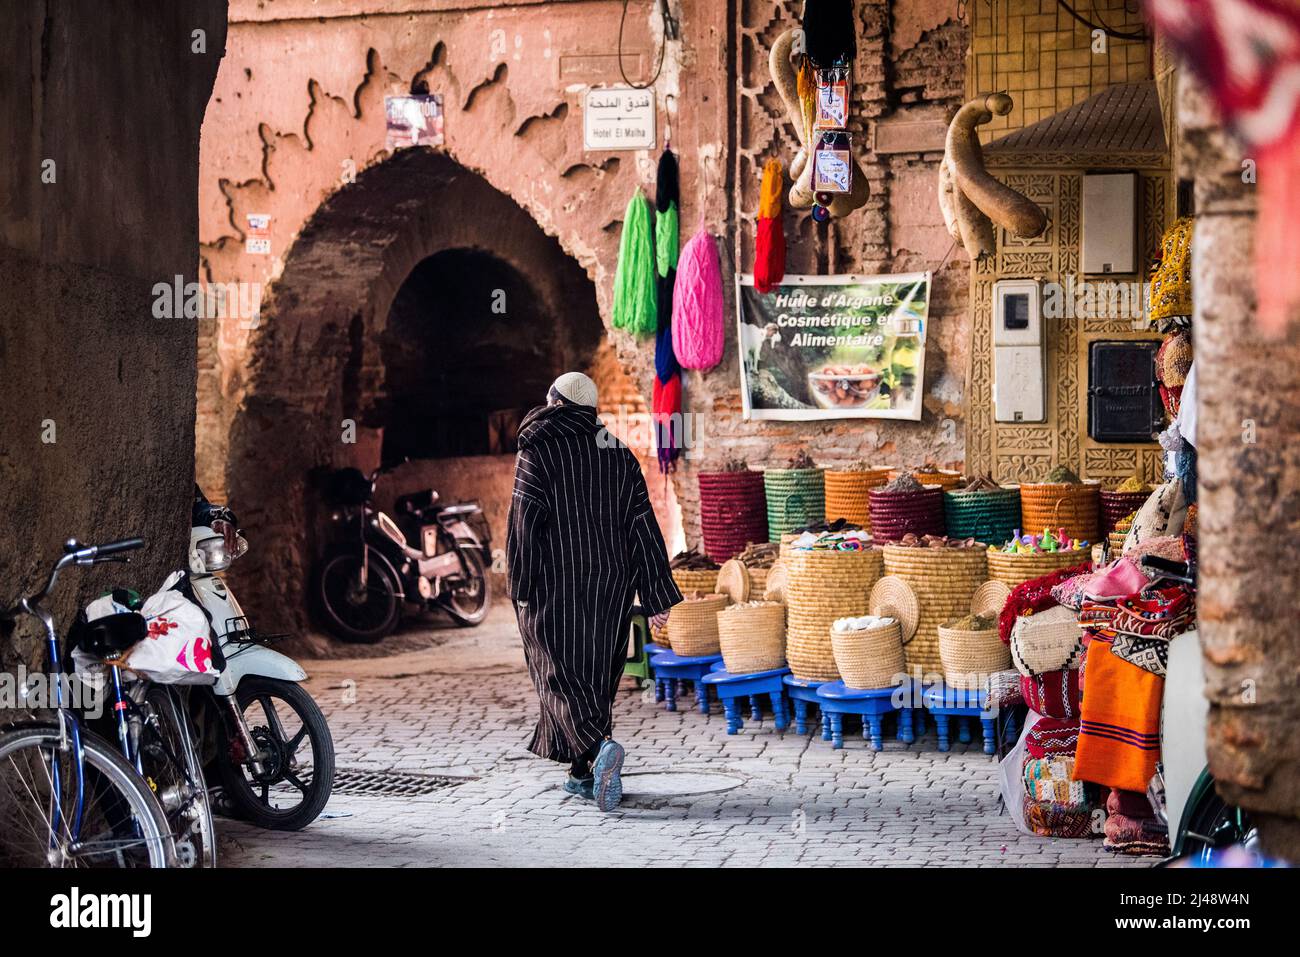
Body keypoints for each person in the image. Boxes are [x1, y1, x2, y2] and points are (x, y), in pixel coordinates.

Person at [506, 372, 681, 811]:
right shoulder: (618, 454)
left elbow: (524, 523)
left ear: (554, 402)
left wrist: (520, 586)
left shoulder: (537, 451)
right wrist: (656, 593)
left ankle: (601, 747)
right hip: (611, 584)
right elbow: (642, 526)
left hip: (554, 585)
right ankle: (583, 773)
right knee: (597, 674)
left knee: (558, 673)